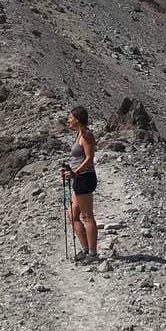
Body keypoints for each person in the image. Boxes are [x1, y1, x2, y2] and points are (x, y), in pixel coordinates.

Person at [63, 105, 98, 262]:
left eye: (70, 117)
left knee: (87, 216)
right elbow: (79, 158)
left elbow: (89, 158)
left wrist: (75, 172)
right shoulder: (79, 134)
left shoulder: (86, 135)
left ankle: (93, 254)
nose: (68, 120)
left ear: (77, 119)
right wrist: (69, 171)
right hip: (79, 177)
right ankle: (85, 250)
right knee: (72, 214)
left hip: (85, 177)